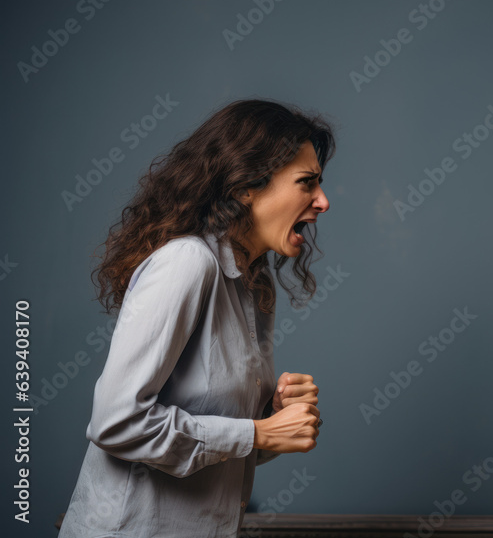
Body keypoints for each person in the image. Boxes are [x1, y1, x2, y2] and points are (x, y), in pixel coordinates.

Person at [59, 99, 334, 537]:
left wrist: (272, 417)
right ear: (248, 187)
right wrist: (257, 434)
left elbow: (221, 444)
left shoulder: (255, 285)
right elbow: (116, 422)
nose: (323, 201)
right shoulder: (187, 262)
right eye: (307, 183)